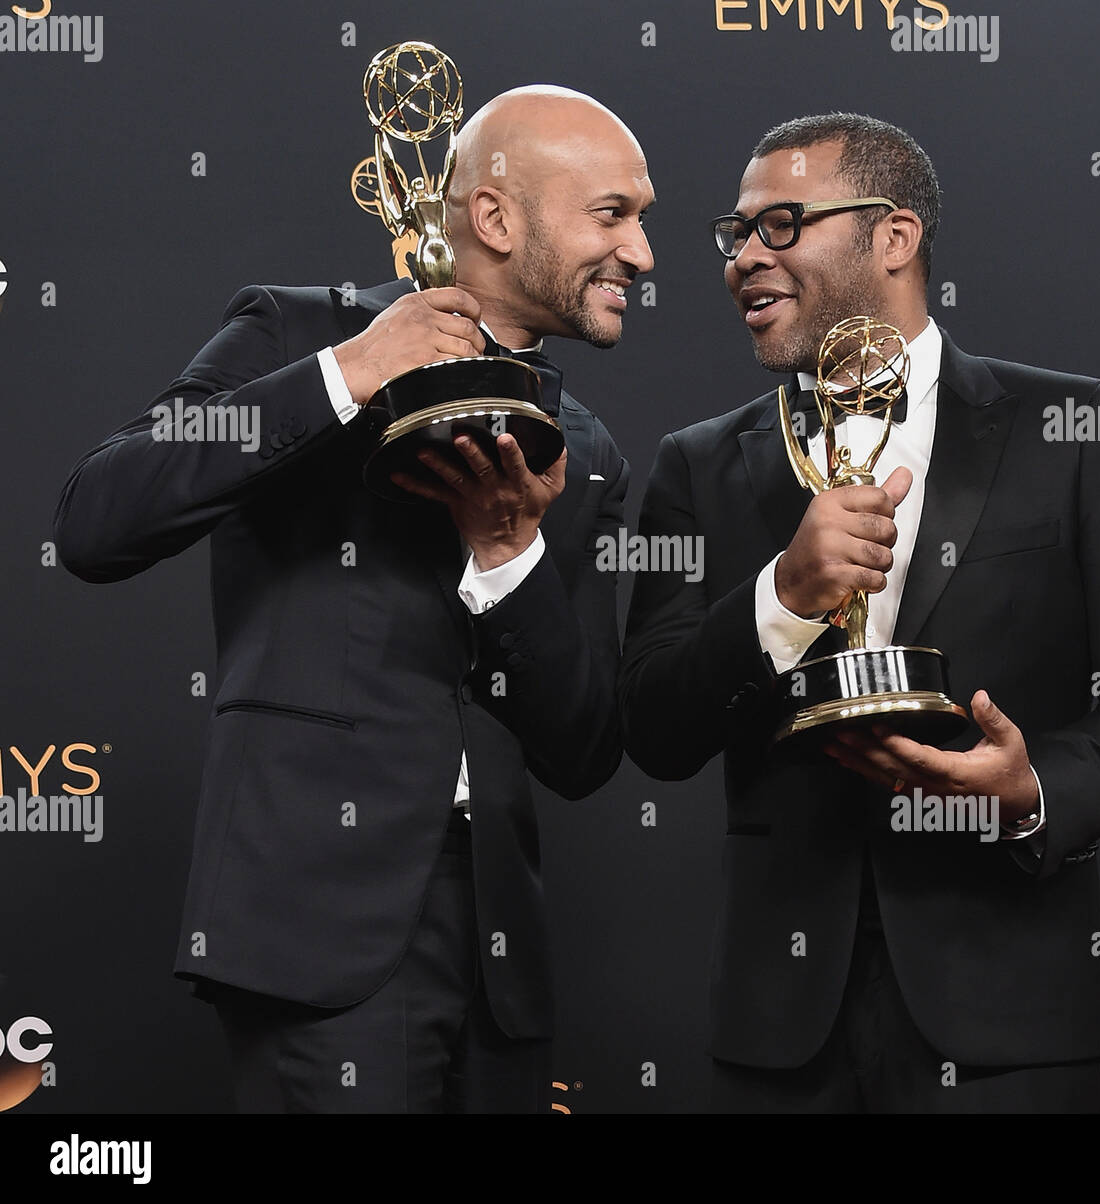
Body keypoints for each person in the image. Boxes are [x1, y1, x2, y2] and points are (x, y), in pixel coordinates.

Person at [53, 86, 655, 1113]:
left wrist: (505, 552)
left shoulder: (585, 451)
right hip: (317, 932)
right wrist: (352, 371)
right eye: (613, 214)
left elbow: (584, 745)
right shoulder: (297, 331)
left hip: (502, 962)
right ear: (499, 219)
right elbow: (96, 521)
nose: (641, 255)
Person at [618, 112, 1100, 1112]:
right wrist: (782, 598)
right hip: (780, 1037)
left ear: (893, 237)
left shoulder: (1073, 429)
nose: (740, 260)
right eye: (734, 234)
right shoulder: (697, 465)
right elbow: (651, 721)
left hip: (1015, 1026)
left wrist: (1032, 789)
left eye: (778, 226)